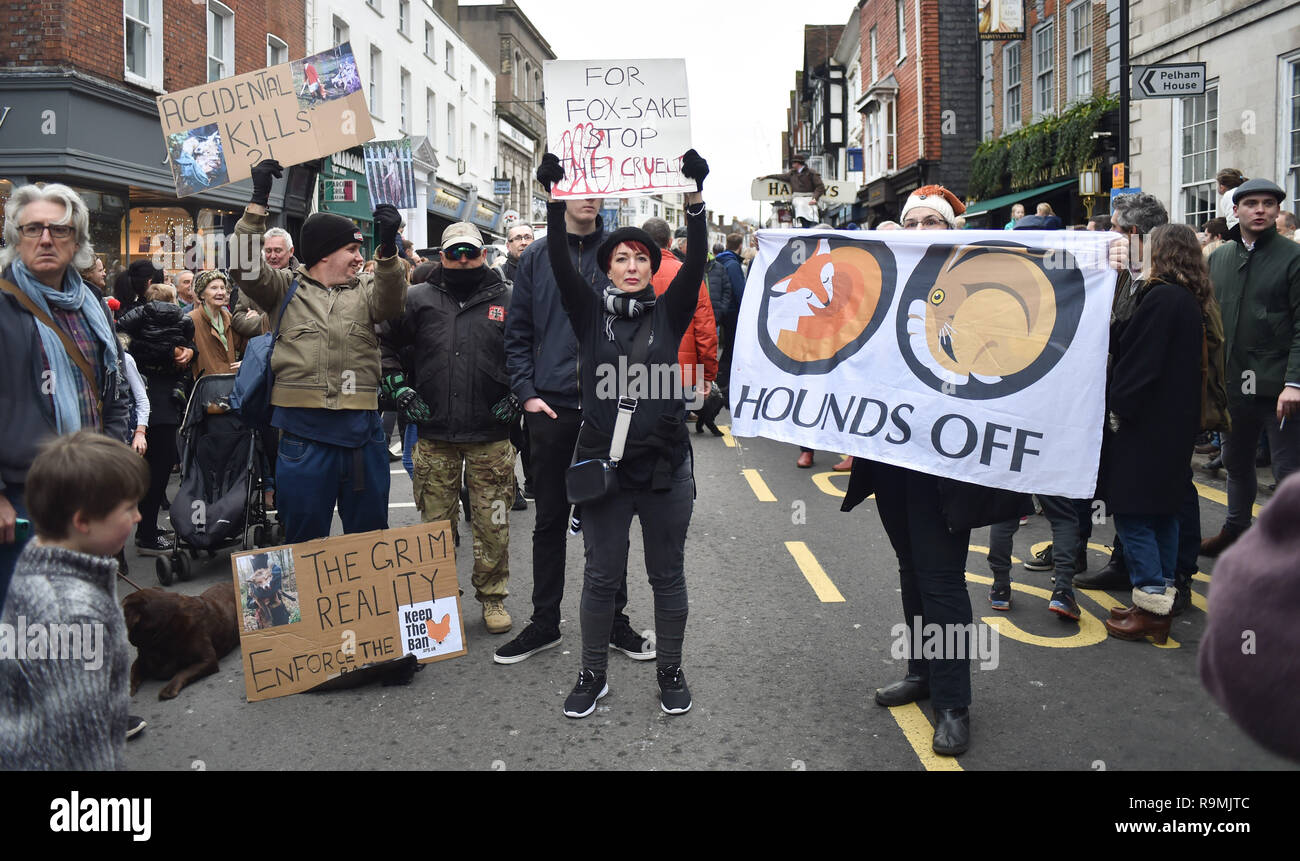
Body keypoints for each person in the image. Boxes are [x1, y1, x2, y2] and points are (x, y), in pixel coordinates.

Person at [535, 149, 710, 718]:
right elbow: (560, 260)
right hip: (604, 471)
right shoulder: (589, 314)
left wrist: (696, 199)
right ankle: (592, 674)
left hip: (664, 470)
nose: (632, 266)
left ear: (652, 266)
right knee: (601, 576)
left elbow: (699, 258)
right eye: (621, 259)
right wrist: (554, 199)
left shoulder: (671, 310)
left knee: (667, 576)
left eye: (641, 258)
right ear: (606, 268)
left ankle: (671, 670)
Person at [841, 184, 991, 756]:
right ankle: (924, 673)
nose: (923, 230)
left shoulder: (975, 284)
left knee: (943, 578)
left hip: (946, 459)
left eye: (935, 222)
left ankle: (954, 702)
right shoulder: (887, 286)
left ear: (953, 231)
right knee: (911, 568)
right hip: (893, 457)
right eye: (914, 222)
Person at [499, 180, 653, 667]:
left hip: (612, 409)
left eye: (597, 187)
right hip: (552, 406)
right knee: (548, 519)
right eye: (578, 187)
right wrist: (526, 393)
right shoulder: (538, 255)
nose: (590, 197)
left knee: (609, 520)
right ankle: (544, 621)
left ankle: (613, 620)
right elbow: (517, 331)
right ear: (560, 196)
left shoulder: (623, 256)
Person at [226, 159, 407, 544]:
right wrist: (258, 202)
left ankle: (368, 607)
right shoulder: (283, 289)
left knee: (369, 542)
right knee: (304, 543)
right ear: (324, 253)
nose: (360, 258)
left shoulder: (365, 290)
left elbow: (391, 302)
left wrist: (390, 250)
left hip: (362, 436)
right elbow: (241, 264)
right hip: (302, 438)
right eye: (351, 249)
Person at [379, 222, 518, 635]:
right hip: (434, 432)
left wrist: (517, 392)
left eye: (469, 253)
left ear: (483, 254)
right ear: (441, 255)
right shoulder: (416, 299)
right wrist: (398, 386)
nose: (462, 260)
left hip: (490, 435)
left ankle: (493, 598)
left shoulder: (509, 299)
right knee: (434, 527)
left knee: (493, 524)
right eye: (454, 252)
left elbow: (531, 350)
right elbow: (383, 343)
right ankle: (436, 604)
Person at [0, 183, 131, 611]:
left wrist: (110, 463)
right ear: (14, 236)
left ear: (76, 240)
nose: (45, 239)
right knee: (27, 628)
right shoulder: (4, 305)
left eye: (58, 229)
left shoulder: (91, 303)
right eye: (32, 228)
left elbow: (115, 392)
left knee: (84, 615)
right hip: (25, 497)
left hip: (90, 489)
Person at [0, 431, 147, 769]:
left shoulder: (37, 562)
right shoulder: (74, 614)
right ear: (82, 521)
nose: (138, 517)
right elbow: (81, 741)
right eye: (128, 509)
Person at [1100, 223, 1207, 642]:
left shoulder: (1160, 299)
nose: (1137, 253)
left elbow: (1140, 366)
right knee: (1163, 512)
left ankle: (1150, 607)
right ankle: (1157, 598)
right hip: (1173, 427)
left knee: (1133, 513)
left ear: (1162, 252)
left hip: (1145, 426)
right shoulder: (1184, 299)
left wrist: (1116, 408)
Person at [1200, 179, 1300, 557]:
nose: (1260, 210)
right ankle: (1236, 529)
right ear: (1236, 210)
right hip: (1232, 384)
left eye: (1268, 203)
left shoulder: (1293, 258)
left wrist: (1295, 383)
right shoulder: (1219, 258)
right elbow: (1206, 320)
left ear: (1277, 211)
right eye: (1251, 203)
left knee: (1288, 474)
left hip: (1279, 388)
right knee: (1235, 462)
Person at [117, 283, 196, 555]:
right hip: (155, 407)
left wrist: (189, 351)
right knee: (156, 473)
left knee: (155, 473)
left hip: (157, 405)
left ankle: (147, 530)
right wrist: (174, 352)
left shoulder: (140, 326)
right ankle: (147, 535)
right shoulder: (148, 332)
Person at [643, 217, 718, 426]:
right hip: (681, 374)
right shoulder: (688, 275)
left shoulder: (630, 273)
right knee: (674, 437)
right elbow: (705, 328)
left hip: (637, 371)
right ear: (669, 242)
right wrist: (708, 373)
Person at [187, 270, 245, 378]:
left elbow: (244, 345)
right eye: (214, 288)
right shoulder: (191, 319)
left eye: (222, 288)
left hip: (229, 383)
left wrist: (246, 362)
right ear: (202, 295)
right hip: (206, 386)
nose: (220, 292)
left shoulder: (228, 317)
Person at [714, 233, 747, 399]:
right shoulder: (733, 264)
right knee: (732, 346)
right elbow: (739, 291)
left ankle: (721, 377)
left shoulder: (720, 260)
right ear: (740, 246)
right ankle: (722, 379)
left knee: (729, 346)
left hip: (723, 309)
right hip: (733, 311)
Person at [761, 152, 826, 226]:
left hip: (809, 197)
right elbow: (780, 176)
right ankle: (804, 224)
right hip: (798, 197)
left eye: (794, 162)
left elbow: (820, 186)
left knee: (812, 209)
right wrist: (767, 176)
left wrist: (815, 199)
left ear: (798, 163)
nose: (792, 165)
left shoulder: (811, 173)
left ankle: (812, 226)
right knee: (799, 205)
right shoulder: (792, 173)